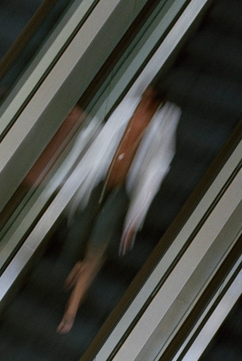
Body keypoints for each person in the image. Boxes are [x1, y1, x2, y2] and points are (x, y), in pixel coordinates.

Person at [51, 88, 178, 334]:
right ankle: (77, 267)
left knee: (97, 243)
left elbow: (157, 171)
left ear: (153, 110)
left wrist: (134, 219)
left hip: (122, 192)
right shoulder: (124, 114)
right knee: (78, 231)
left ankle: (71, 311)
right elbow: (98, 137)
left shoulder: (158, 130)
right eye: (142, 102)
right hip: (100, 182)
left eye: (148, 105)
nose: (142, 109)